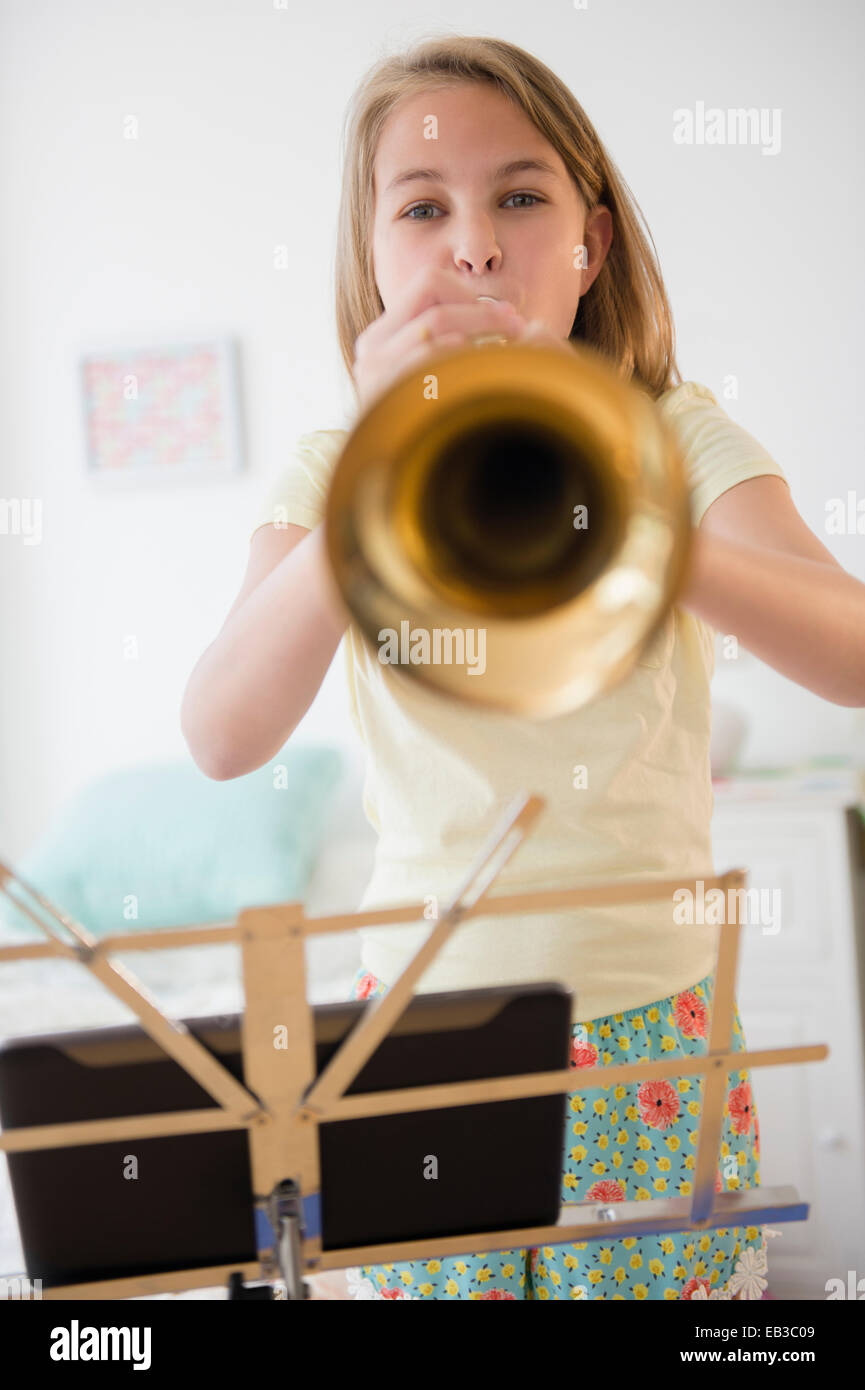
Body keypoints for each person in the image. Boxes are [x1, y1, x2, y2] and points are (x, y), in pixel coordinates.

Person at [180, 35, 865, 1300]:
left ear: (591, 244)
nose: (476, 244)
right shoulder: (333, 471)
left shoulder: (676, 431)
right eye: (424, 208)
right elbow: (222, 733)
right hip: (424, 1042)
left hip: (654, 1034)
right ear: (373, 258)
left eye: (521, 196)